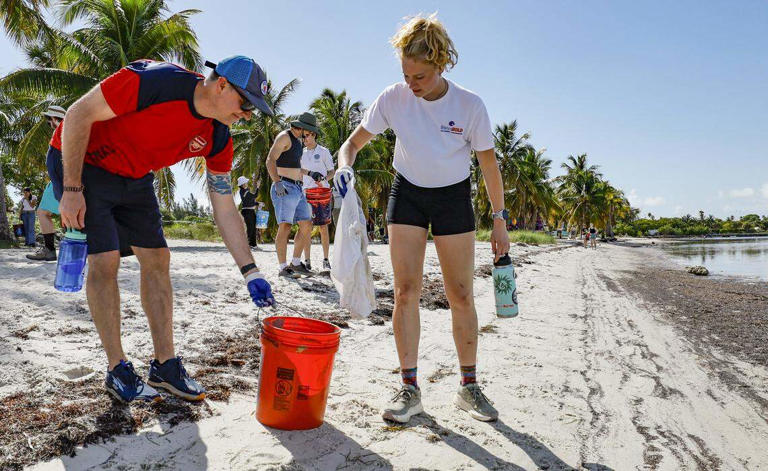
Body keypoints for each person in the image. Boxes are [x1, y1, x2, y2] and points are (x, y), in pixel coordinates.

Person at [50, 55, 276, 403]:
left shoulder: (218, 135)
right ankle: (117, 368)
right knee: (105, 260)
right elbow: (78, 113)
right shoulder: (154, 81)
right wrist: (72, 188)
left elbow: (224, 205)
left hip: (135, 174)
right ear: (221, 85)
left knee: (158, 258)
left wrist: (250, 271)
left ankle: (164, 366)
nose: (247, 115)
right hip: (85, 163)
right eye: (246, 104)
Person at [335, 14, 510, 424]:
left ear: (442, 64)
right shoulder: (393, 97)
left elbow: (488, 165)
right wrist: (345, 167)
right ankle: (409, 387)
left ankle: (469, 387)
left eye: (421, 76)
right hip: (408, 193)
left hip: (453, 198)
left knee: (461, 294)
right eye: (406, 74)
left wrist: (499, 220)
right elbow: (352, 144)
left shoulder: (470, 105)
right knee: (405, 291)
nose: (412, 84)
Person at [265, 112, 325, 278]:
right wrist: (276, 182)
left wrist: (310, 173)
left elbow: (294, 166)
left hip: (297, 189)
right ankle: (283, 267)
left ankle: (296, 263)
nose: (310, 134)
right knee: (285, 225)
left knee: (306, 225)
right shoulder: (284, 137)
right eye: (310, 131)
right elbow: (270, 160)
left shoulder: (298, 142)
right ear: (304, 128)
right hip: (284, 186)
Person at [28, 105, 67, 261]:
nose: (48, 124)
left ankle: (51, 250)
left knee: (61, 214)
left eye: (49, 120)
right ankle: (49, 250)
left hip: (64, 180)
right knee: (44, 212)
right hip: (57, 180)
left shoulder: (65, 128)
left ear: (55, 119)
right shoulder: (62, 131)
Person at [300, 129, 334, 271]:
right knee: (306, 227)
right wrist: (310, 174)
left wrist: (324, 178)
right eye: (302, 137)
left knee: (323, 227)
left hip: (322, 192)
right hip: (306, 192)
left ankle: (326, 260)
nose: (304, 139)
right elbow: (298, 169)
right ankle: (307, 261)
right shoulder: (300, 153)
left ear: (313, 135)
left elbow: (332, 171)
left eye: (306, 136)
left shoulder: (324, 151)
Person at [237, 175, 259, 249]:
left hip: (250, 211)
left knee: (253, 228)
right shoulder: (244, 192)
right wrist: (258, 187)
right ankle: (249, 244)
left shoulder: (245, 191)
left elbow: (251, 202)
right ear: (243, 184)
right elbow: (255, 196)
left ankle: (253, 244)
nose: (247, 183)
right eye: (246, 182)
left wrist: (258, 203)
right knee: (250, 228)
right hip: (247, 211)